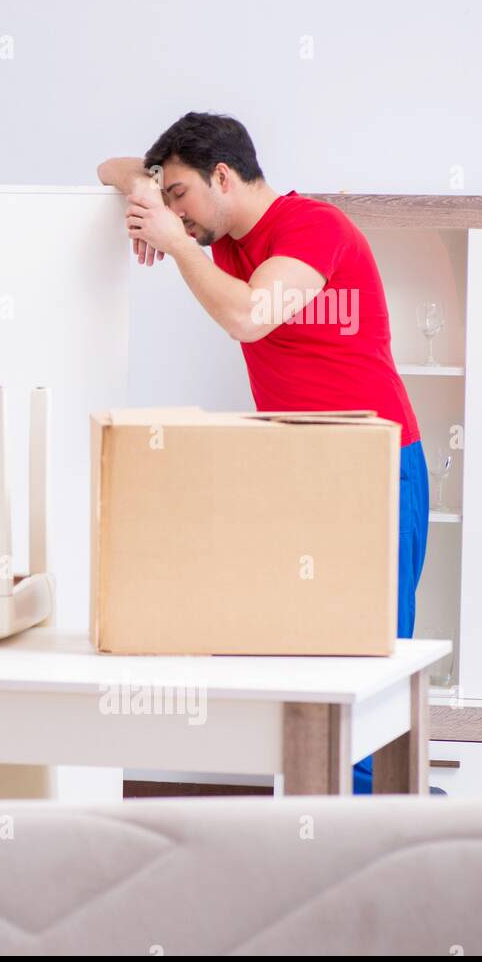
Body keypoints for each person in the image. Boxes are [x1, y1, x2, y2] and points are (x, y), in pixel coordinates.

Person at [98, 111, 428, 795]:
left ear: (223, 175)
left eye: (183, 194)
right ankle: (327, 815)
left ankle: (379, 822)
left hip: (378, 463)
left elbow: (251, 314)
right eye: (170, 198)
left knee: (373, 655)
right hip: (301, 468)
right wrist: (151, 193)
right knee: (308, 648)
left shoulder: (313, 228)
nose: (178, 213)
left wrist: (176, 243)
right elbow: (110, 167)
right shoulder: (220, 231)